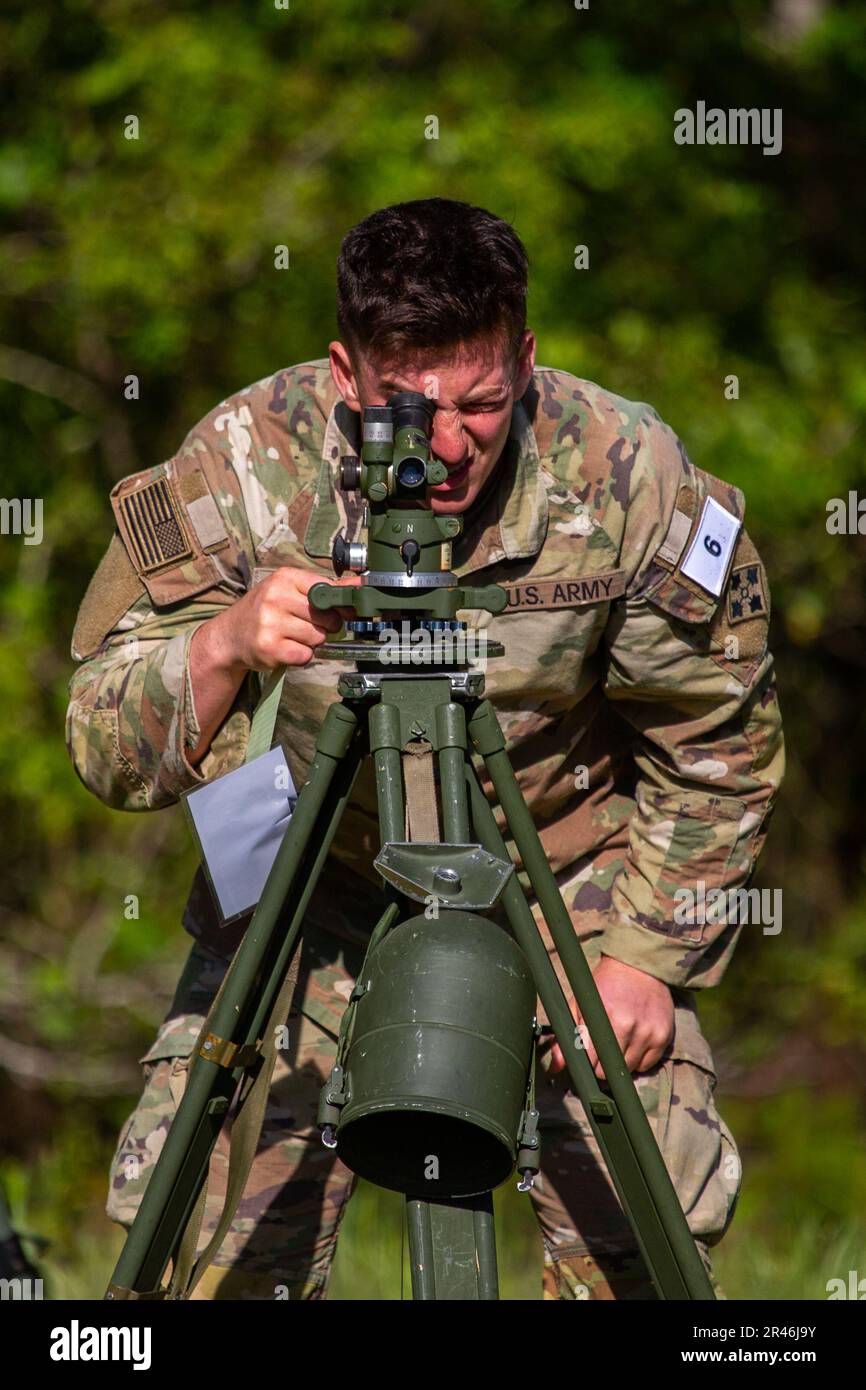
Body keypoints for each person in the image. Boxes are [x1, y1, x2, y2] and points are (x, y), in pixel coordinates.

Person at [66, 197, 784, 1300]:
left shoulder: (625, 472)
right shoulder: (244, 463)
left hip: (563, 877)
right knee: (201, 1249)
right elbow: (107, 749)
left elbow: (716, 732)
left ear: (525, 359)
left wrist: (644, 952)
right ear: (343, 374)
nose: (447, 447)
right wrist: (218, 648)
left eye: (486, 403)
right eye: (412, 407)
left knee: (642, 1241)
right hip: (308, 880)